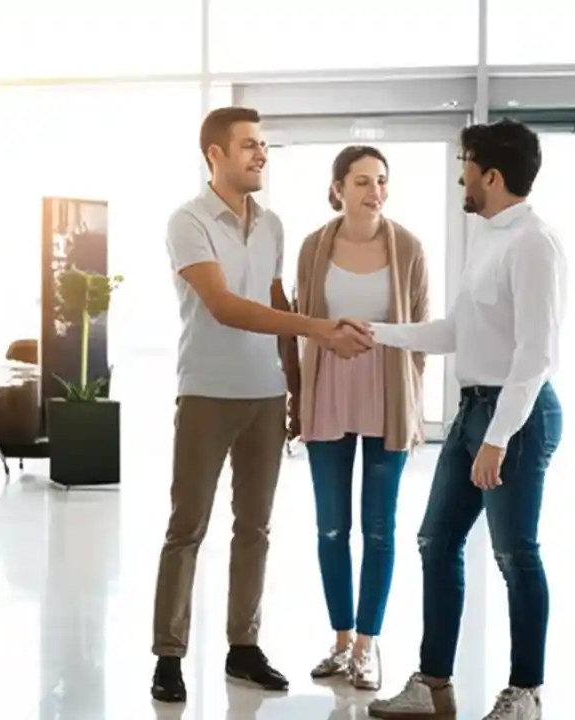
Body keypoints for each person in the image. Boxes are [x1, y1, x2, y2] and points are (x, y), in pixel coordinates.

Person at [150, 106, 373, 704]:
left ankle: (243, 648)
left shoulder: (271, 224)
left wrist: (296, 387)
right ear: (214, 154)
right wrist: (320, 327)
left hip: (266, 395)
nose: (260, 155)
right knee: (186, 527)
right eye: (249, 145)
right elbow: (224, 306)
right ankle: (169, 656)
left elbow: (275, 303)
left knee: (255, 528)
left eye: (264, 145)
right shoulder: (188, 221)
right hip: (205, 391)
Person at [363, 119, 565, 720]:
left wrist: (498, 440)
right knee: (436, 540)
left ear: (492, 176)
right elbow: (457, 331)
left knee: (514, 553)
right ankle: (432, 684)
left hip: (517, 418)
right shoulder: (487, 237)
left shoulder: (534, 243)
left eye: (466, 164)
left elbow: (536, 354)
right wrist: (375, 333)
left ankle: (525, 691)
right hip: (472, 410)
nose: (461, 176)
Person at [294, 145, 429, 692]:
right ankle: (342, 639)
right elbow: (303, 322)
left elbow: (418, 330)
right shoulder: (313, 247)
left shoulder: (409, 247)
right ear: (338, 188)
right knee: (331, 527)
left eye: (381, 181)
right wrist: (295, 393)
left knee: (379, 528)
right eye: (363, 181)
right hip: (328, 387)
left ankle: (369, 647)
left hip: (387, 393)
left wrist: (415, 405)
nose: (375, 190)